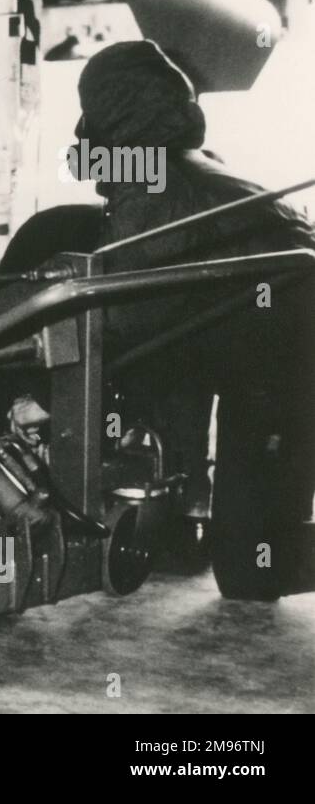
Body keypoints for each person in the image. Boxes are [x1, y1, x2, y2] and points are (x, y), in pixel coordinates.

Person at [76, 39, 315, 599]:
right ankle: (187, 519)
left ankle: (232, 533)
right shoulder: (195, 167)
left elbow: (131, 322)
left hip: (287, 361)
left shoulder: (151, 189)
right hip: (256, 350)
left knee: (254, 568)